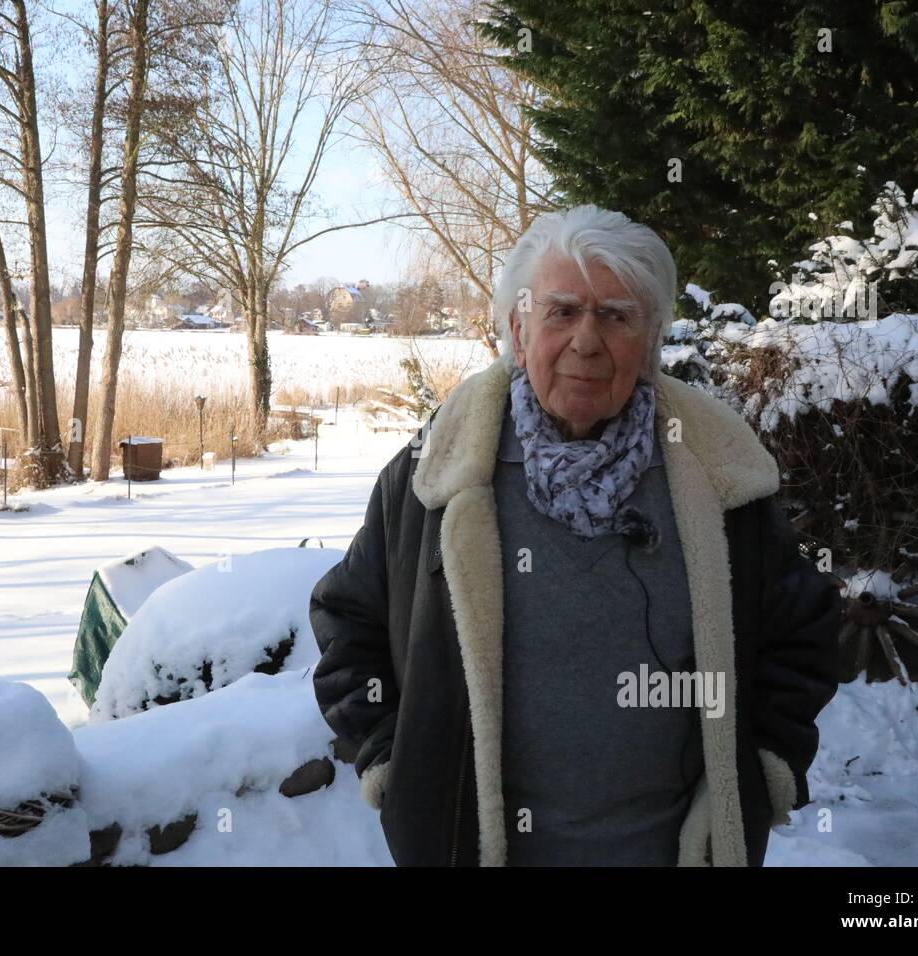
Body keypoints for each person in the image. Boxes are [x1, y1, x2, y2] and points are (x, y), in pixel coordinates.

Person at [308, 204, 843, 866]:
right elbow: (346, 621)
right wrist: (393, 762)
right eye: (561, 311)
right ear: (517, 328)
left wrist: (762, 770)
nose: (587, 341)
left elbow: (804, 632)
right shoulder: (436, 479)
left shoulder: (717, 473)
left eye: (616, 316)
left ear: (649, 343)